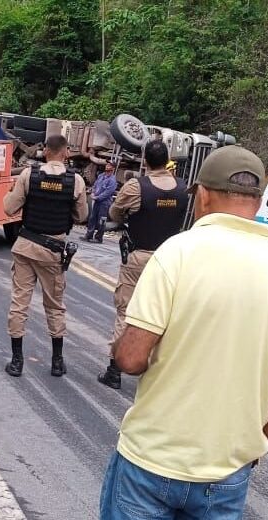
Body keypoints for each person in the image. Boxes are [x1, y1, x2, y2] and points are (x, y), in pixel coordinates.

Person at [100, 146, 268, 519]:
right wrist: (253, 448)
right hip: (224, 475)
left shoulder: (177, 253)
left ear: (203, 196)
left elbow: (130, 358)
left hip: (150, 462)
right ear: (258, 200)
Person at [97, 141, 187, 390]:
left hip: (139, 257)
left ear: (145, 161)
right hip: (170, 260)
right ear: (168, 159)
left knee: (125, 311)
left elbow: (115, 213)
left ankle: (114, 370)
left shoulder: (137, 186)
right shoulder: (182, 188)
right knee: (163, 316)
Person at [4, 135, 88, 377]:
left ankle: (17, 361)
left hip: (25, 246)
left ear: (45, 151)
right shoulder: (77, 182)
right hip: (52, 252)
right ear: (65, 153)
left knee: (19, 304)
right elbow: (82, 216)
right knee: (54, 306)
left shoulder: (29, 175)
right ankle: (57, 362)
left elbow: (9, 208)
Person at [81, 162, 117, 243]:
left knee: (101, 221)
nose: (107, 168)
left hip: (104, 203)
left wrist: (97, 197)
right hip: (97, 202)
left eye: (109, 167)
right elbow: (95, 185)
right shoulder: (101, 176)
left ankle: (98, 238)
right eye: (107, 166)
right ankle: (89, 235)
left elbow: (108, 192)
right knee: (92, 218)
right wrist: (92, 192)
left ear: (113, 169)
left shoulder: (112, 181)